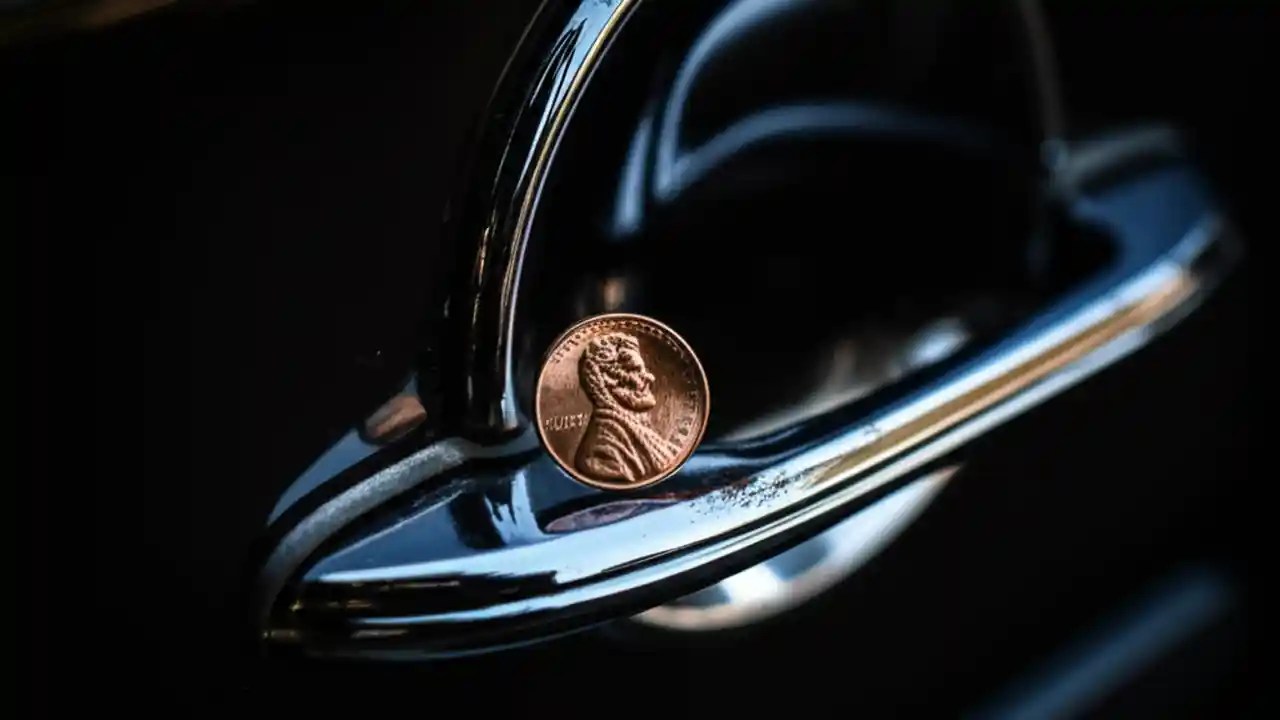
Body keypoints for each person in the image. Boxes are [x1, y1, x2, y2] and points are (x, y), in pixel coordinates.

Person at [575, 332, 681, 483]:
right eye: (637, 370)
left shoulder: (642, 432)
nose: (650, 377)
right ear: (609, 380)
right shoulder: (601, 452)